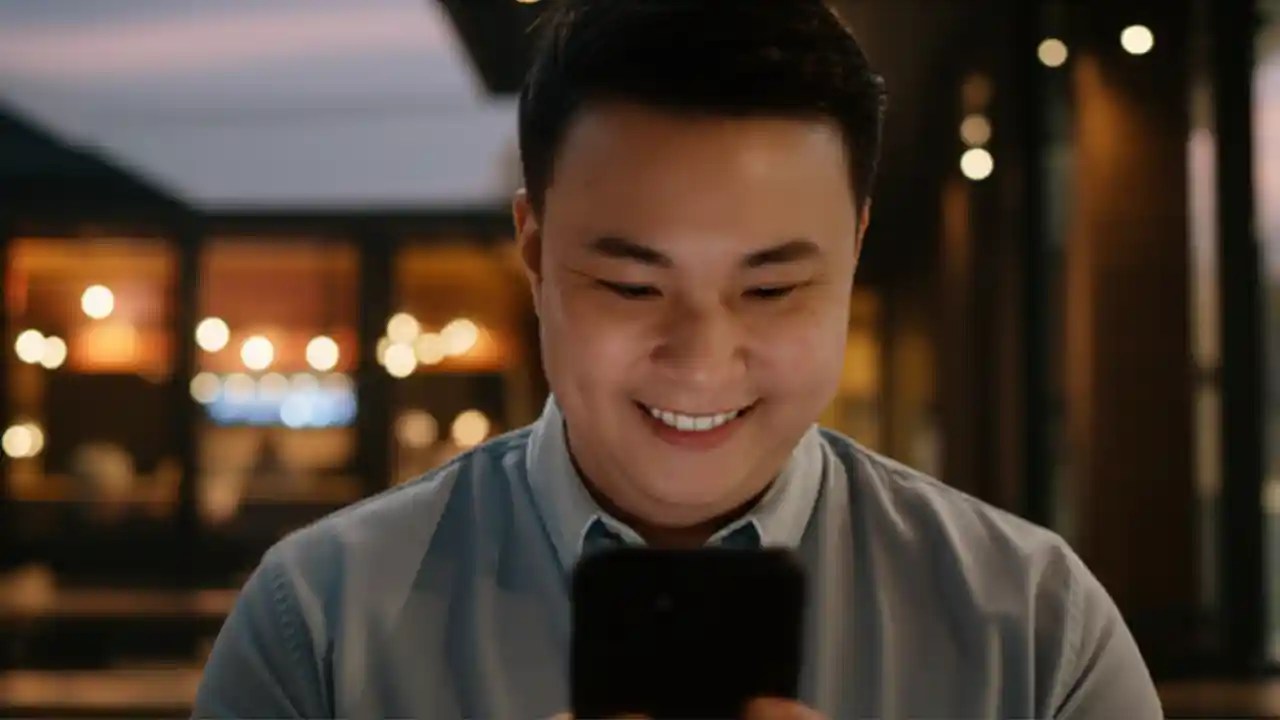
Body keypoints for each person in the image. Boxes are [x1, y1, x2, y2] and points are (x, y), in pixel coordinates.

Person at [193, 0, 1163, 717]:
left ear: (855, 247)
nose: (701, 361)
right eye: (631, 285)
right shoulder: (317, 628)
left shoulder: (1036, 634)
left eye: (771, 288)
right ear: (532, 252)